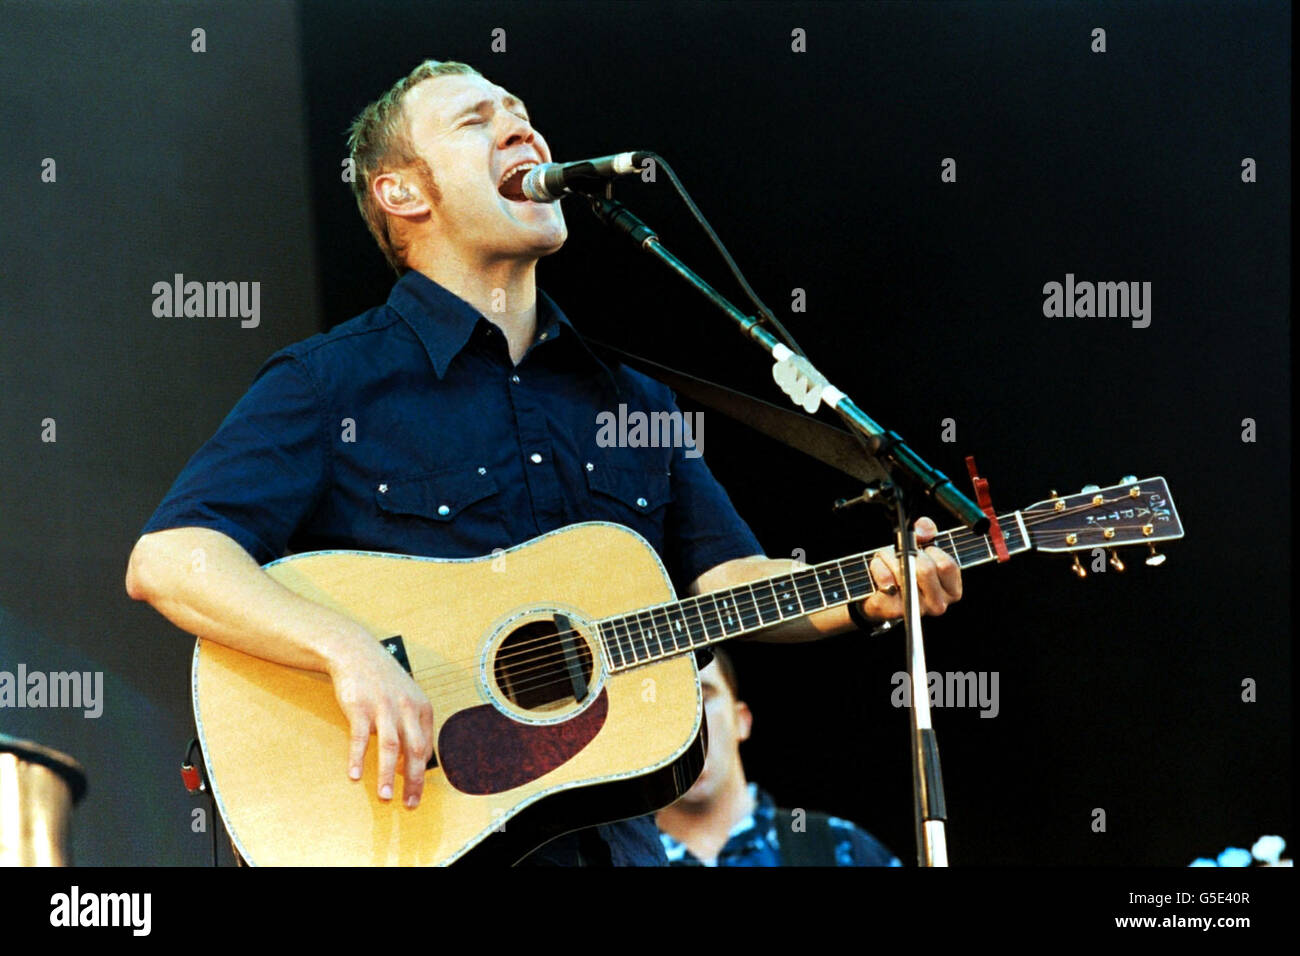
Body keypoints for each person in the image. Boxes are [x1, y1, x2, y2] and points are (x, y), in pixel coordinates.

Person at [124, 59, 962, 866]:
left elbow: (723, 579)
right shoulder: (329, 383)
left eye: (522, 115)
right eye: (477, 121)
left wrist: (868, 592)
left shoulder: (631, 400)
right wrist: (346, 649)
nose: (520, 129)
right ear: (402, 191)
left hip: (617, 848)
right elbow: (170, 559)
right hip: (415, 835)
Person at [656, 648, 900, 866]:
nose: (686, 724)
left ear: (742, 720)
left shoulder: (838, 846)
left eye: (702, 696)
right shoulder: (623, 857)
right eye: (662, 707)